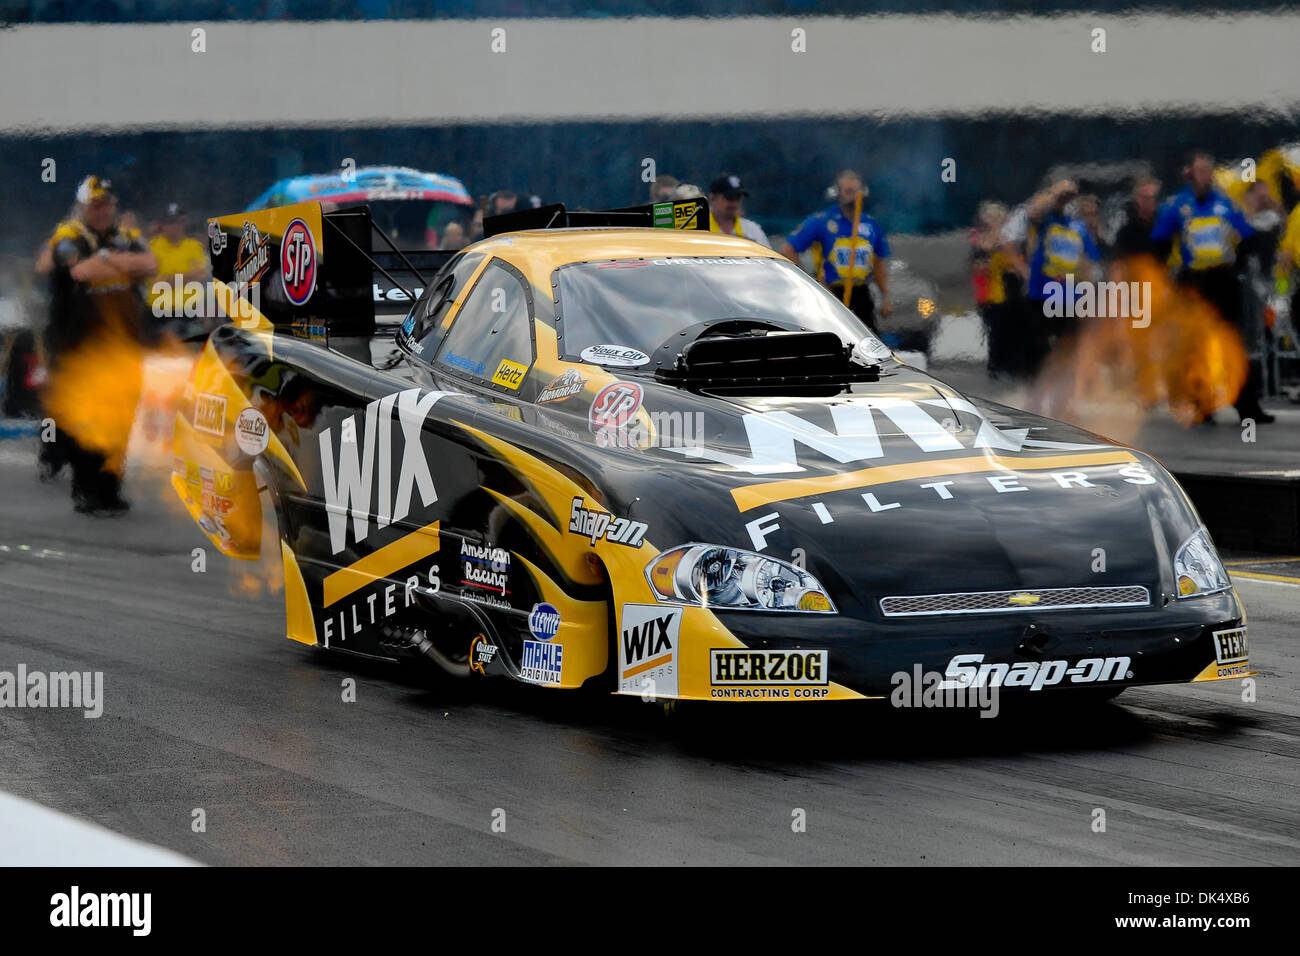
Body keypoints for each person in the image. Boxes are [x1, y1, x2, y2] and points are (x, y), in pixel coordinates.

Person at [39, 175, 157, 513]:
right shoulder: (68, 237)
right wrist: (118, 263)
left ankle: (110, 489)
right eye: (95, 205)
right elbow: (79, 272)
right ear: (82, 207)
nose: (102, 210)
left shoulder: (129, 236)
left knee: (121, 419)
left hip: (122, 349)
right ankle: (85, 490)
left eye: (107, 204)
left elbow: (150, 263)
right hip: (80, 350)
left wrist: (105, 260)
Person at [1151, 150, 1268, 423]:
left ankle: (1248, 407)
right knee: (1195, 345)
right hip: (1194, 283)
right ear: (1190, 174)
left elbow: (1248, 237)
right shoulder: (1179, 205)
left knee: (1235, 342)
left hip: (1223, 280)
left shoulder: (1225, 204)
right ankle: (1202, 404)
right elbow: (1159, 241)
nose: (1206, 177)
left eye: (1209, 171)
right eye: (1201, 171)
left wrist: (1238, 266)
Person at [780, 170, 891, 331]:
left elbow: (879, 263)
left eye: (857, 192)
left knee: (868, 342)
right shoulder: (822, 221)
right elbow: (788, 249)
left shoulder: (871, 225)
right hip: (831, 292)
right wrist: (810, 281)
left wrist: (886, 296)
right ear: (838, 193)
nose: (853, 197)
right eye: (848, 192)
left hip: (862, 293)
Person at [1019, 177, 1101, 375]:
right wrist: (1055, 192)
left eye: (1069, 198)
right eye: (1062, 197)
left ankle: (1063, 391)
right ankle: (1034, 392)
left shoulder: (1078, 226)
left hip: (1070, 296)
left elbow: (1087, 262)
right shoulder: (1045, 221)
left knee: (1069, 347)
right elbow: (1033, 212)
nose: (1065, 200)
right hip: (1042, 294)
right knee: (1039, 346)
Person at [148, 202, 209, 323]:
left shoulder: (194, 246)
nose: (174, 226)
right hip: (159, 313)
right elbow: (155, 282)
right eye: (170, 222)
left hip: (190, 312)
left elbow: (201, 276)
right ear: (162, 225)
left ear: (184, 223)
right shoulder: (152, 247)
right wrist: (188, 276)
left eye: (177, 222)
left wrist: (169, 279)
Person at [706, 174, 771, 248]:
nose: (734, 203)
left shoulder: (753, 231)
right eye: (729, 197)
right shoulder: (698, 228)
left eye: (738, 198)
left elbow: (768, 257)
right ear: (712, 198)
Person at [1112, 176, 1162, 262]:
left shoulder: (1167, 226)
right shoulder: (1126, 234)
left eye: (1154, 197)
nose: (1151, 201)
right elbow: (1118, 263)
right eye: (1146, 197)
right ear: (1137, 200)